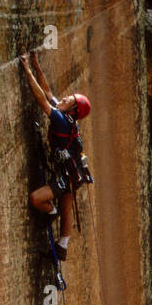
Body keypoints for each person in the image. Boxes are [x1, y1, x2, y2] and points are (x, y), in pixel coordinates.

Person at [21, 51, 92, 260]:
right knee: (67, 204)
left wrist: (26, 69)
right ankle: (63, 244)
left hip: (65, 176)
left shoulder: (61, 119)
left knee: (37, 199)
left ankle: (50, 212)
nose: (62, 98)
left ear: (72, 110)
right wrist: (36, 64)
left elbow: (42, 99)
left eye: (67, 99)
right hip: (73, 172)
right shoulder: (67, 117)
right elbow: (48, 90)